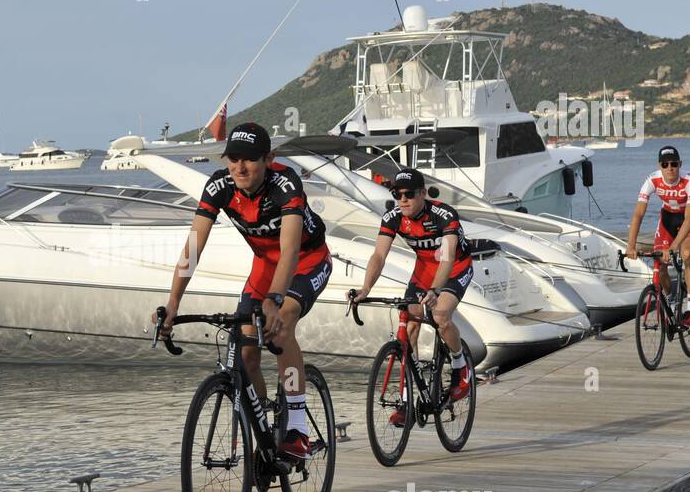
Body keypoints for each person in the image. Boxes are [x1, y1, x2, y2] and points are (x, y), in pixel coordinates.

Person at [155, 123, 332, 460]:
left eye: (249, 159)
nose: (239, 167)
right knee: (247, 351)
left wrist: (275, 300)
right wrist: (173, 303)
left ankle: (296, 429)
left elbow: (291, 250)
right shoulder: (220, 185)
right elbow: (193, 248)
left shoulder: (285, 183)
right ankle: (265, 434)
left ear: (269, 158)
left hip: (306, 261)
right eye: (233, 159)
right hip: (265, 264)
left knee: (281, 326)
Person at [348, 167, 474, 425]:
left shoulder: (443, 214)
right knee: (410, 322)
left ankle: (461, 368)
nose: (403, 199)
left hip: (455, 268)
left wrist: (436, 290)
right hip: (424, 271)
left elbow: (448, 257)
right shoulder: (393, 216)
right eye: (397, 194)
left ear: (423, 194)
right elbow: (379, 255)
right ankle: (407, 400)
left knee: (440, 316)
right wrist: (365, 289)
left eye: (409, 194)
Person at [626, 145, 690, 327]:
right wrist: (631, 245)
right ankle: (670, 300)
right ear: (659, 166)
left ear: (680, 164)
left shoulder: (689, 180)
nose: (670, 167)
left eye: (674, 164)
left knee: (686, 253)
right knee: (659, 264)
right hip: (668, 217)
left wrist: (674, 246)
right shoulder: (652, 180)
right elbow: (638, 214)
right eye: (665, 164)